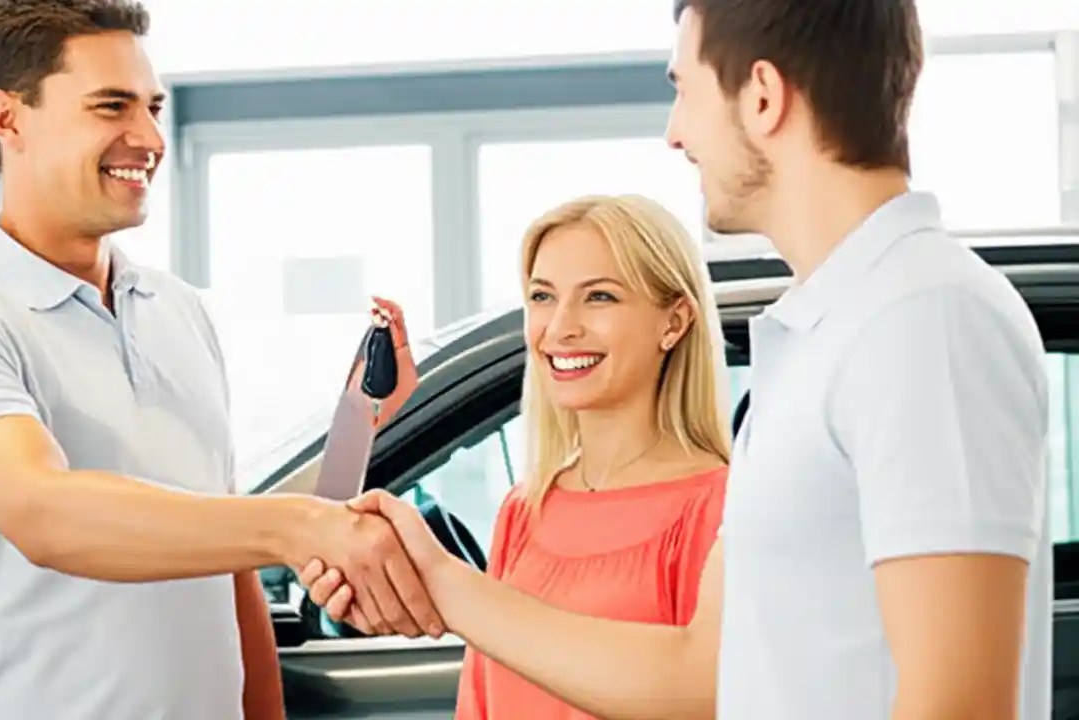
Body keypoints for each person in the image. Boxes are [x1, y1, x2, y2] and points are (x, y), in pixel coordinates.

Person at [301, 2, 1052, 719]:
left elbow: (961, 707)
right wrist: (438, 579)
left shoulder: (923, 318)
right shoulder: (827, 337)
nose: (674, 134)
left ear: (761, 97)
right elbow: (698, 674)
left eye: (683, 91)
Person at [0, 2, 439, 718]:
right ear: (8, 118)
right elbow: (46, 514)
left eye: (153, 107)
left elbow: (222, 557)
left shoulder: (178, 311)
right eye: (111, 107)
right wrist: (293, 526)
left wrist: (359, 423)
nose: (146, 138)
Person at [315, 192, 731, 720]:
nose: (560, 328)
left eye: (599, 297)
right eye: (542, 297)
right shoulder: (525, 509)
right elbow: (480, 703)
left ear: (674, 323)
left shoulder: (721, 511)